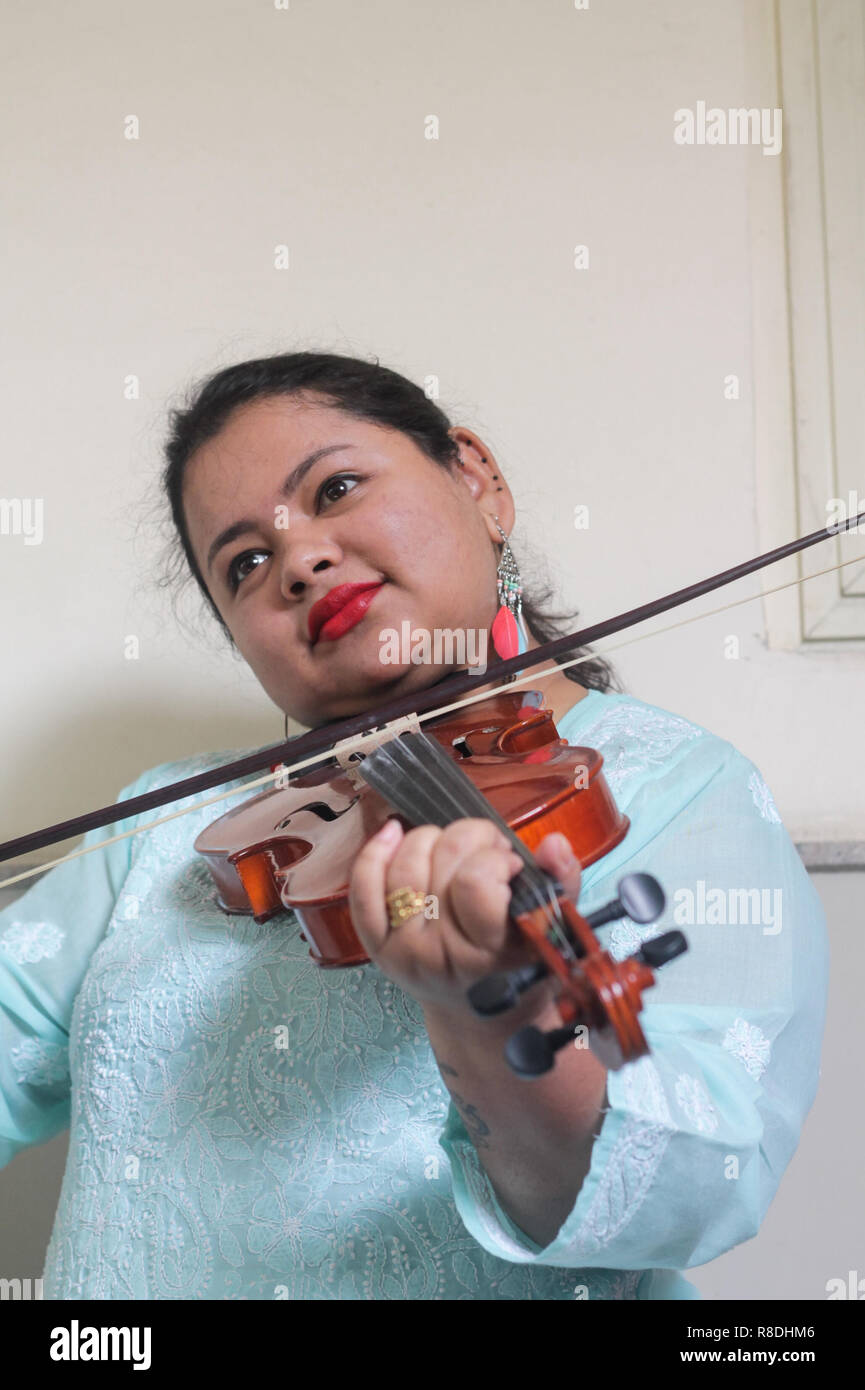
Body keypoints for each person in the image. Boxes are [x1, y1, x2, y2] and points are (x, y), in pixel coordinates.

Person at [0, 352, 827, 1300]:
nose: (300, 561)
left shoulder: (670, 788)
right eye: (246, 563)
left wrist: (496, 1012)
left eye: (336, 488)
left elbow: (694, 1189)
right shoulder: (177, 827)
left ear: (475, 479)